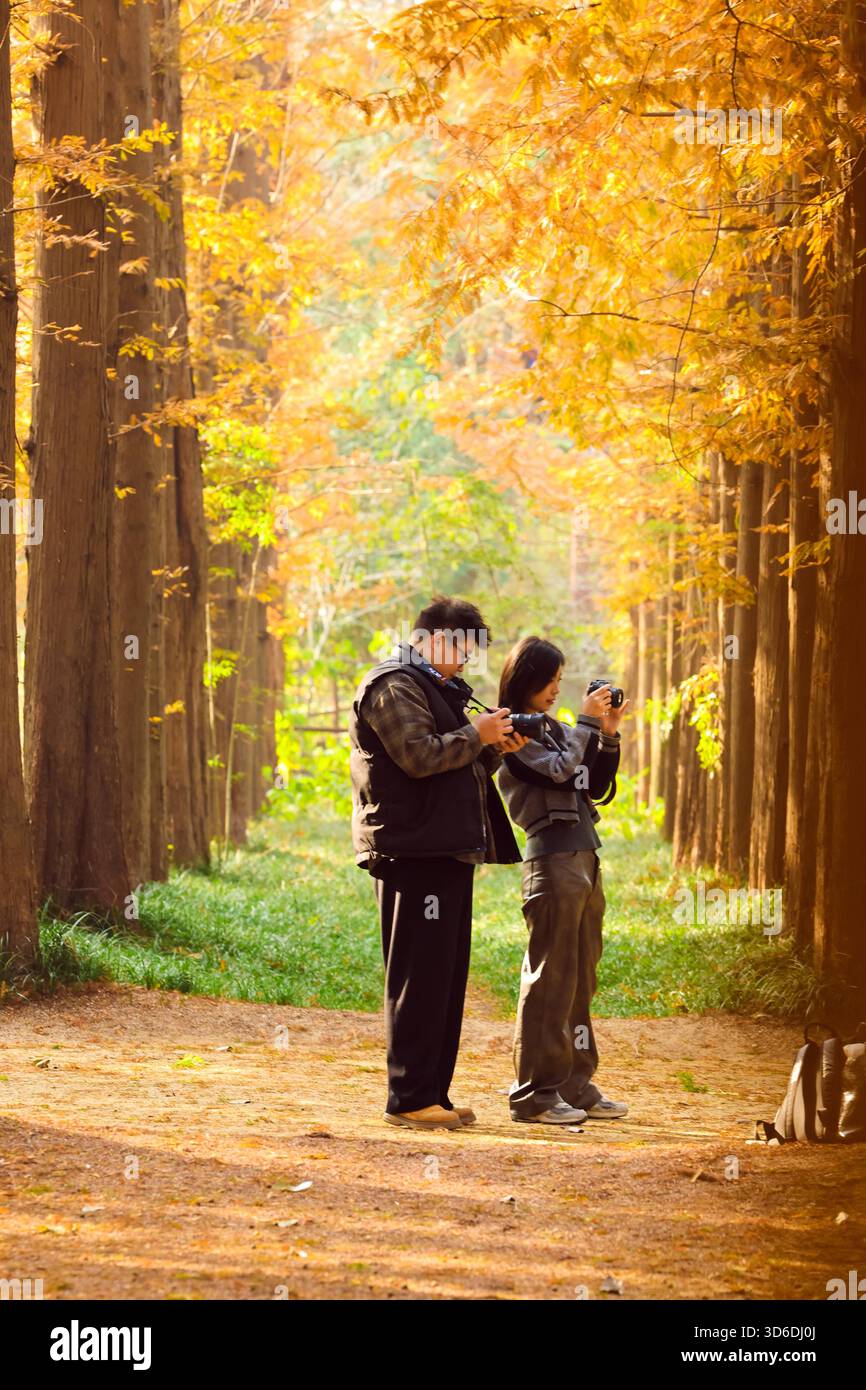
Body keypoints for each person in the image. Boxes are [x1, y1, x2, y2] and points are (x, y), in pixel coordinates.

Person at [349, 596, 520, 1131]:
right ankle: (408, 1098)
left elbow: (456, 765)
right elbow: (419, 757)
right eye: (463, 652)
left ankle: (432, 1095)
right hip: (411, 851)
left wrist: (496, 748)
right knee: (418, 976)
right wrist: (477, 735)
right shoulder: (392, 685)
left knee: (445, 977)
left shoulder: (438, 688)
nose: (466, 664)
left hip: (443, 848)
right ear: (435, 639)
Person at [497, 636, 630, 1125]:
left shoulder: (555, 728)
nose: (556, 689)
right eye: (549, 680)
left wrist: (607, 732)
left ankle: (574, 1084)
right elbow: (557, 773)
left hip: (585, 856)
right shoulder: (511, 730)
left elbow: (590, 784)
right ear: (526, 678)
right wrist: (586, 723)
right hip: (551, 859)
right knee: (550, 979)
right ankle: (535, 1094)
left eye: (559, 680)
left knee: (580, 978)